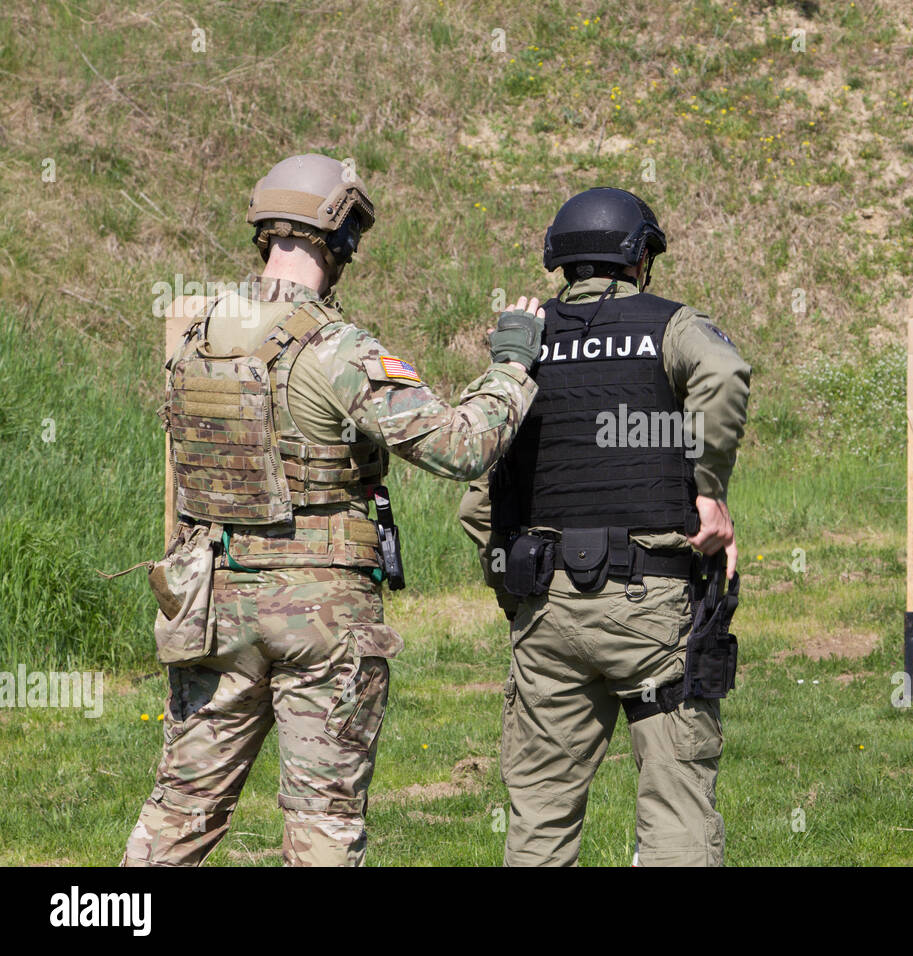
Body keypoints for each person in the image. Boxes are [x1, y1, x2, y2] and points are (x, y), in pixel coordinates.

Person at [123, 153, 544, 866]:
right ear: (340, 236)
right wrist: (510, 364)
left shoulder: (196, 337)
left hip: (211, 605)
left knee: (179, 812)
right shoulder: (336, 347)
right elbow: (462, 447)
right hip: (320, 614)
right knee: (323, 821)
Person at [459, 187, 751, 866]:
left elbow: (477, 503)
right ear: (639, 256)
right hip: (650, 603)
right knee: (676, 801)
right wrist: (709, 493)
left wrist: (518, 592)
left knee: (540, 817)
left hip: (546, 606)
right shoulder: (671, 326)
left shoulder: (522, 350)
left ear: (561, 260)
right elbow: (726, 373)